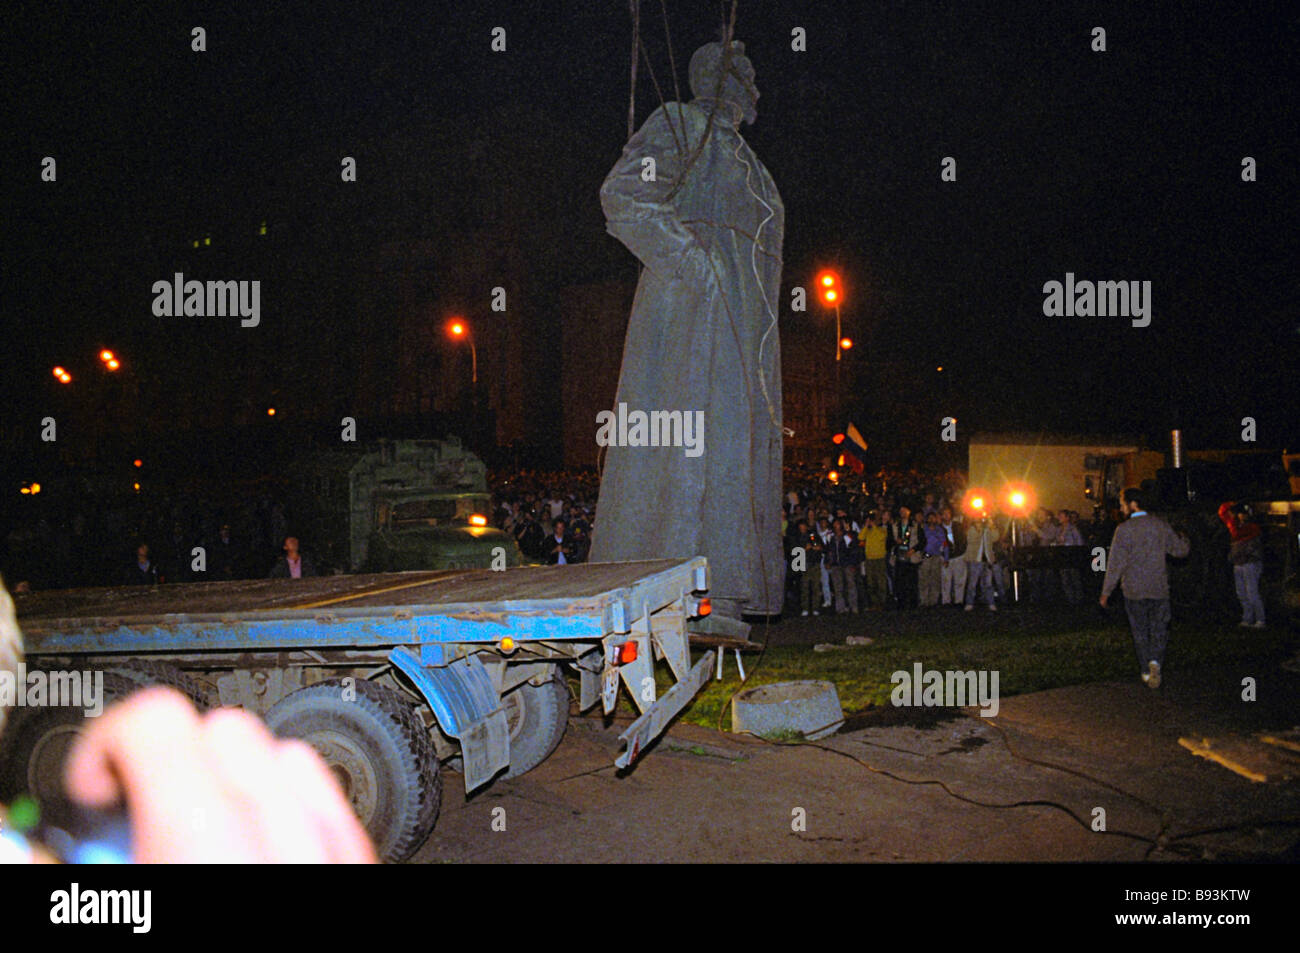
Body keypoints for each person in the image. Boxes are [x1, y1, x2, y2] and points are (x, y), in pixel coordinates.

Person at [589, 38, 785, 621]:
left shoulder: (749, 160)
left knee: (729, 455)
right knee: (687, 453)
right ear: (718, 78)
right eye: (745, 72)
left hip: (743, 339)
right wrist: (695, 267)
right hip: (693, 326)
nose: (755, 85)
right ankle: (669, 584)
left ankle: (722, 589)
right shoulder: (679, 124)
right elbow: (623, 195)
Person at [1100, 488, 1191, 689]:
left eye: (1123, 504)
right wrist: (1184, 537)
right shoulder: (1160, 525)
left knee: (1140, 630)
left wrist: (1107, 591)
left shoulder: (1123, 530)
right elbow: (1180, 551)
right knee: (1159, 629)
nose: (1121, 508)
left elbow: (1116, 563)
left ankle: (1145, 671)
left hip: (1134, 590)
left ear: (1133, 504)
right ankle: (1155, 661)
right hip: (1158, 588)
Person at [1218, 501, 1265, 628]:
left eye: (1244, 513)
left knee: (1252, 592)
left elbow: (1238, 534)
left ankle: (1260, 619)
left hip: (1250, 562)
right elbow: (1222, 512)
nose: (1241, 516)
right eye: (1240, 513)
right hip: (1238, 563)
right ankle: (1247, 618)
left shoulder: (1253, 527)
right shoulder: (1236, 525)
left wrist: (1232, 521)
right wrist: (1232, 504)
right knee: (1241, 593)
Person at [963, 514, 1000, 611]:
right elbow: (971, 539)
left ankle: (990, 602)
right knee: (972, 583)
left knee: (988, 583)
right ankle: (969, 602)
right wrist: (978, 529)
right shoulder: (972, 529)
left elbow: (996, 538)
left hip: (987, 559)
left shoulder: (988, 529)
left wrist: (992, 526)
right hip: (975, 559)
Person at [858, 512, 889, 609]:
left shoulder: (882, 529)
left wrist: (874, 526)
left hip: (879, 559)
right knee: (870, 582)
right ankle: (874, 602)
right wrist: (866, 526)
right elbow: (860, 537)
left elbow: (881, 537)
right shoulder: (867, 531)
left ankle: (882, 602)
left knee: (881, 581)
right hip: (869, 559)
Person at [917, 511, 948, 607]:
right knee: (923, 580)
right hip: (926, 557)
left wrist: (946, 558)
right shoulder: (923, 529)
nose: (931, 520)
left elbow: (945, 544)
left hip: (936, 557)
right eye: (929, 518)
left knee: (935, 580)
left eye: (933, 518)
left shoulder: (940, 530)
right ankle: (924, 600)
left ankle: (933, 601)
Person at [939, 506, 967, 605]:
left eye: (948, 513)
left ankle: (959, 600)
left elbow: (963, 539)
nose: (946, 515)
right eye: (944, 513)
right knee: (946, 581)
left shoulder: (958, 526)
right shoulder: (939, 528)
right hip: (946, 557)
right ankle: (946, 601)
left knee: (959, 580)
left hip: (958, 556)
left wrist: (961, 551)